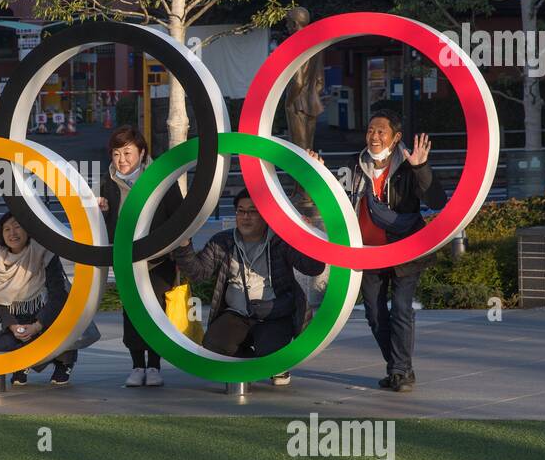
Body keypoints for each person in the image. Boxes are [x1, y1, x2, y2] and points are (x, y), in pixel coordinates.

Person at [314, 108, 445, 392]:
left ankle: (399, 371)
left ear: (395, 137)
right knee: (374, 314)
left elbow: (437, 200)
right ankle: (400, 368)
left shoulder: (410, 165)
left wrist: (421, 168)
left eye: (381, 131)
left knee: (400, 309)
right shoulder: (353, 163)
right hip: (368, 253)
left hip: (404, 251)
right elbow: (336, 197)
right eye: (371, 130)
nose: (374, 136)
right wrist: (318, 171)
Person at [172, 189, 324, 386]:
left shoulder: (280, 241)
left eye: (253, 211)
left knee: (270, 348)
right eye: (240, 211)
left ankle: (274, 362)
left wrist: (306, 237)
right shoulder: (223, 241)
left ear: (265, 215)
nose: (245, 217)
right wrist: (183, 244)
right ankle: (248, 365)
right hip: (237, 313)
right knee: (213, 346)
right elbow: (198, 273)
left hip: (274, 313)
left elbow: (313, 268)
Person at [97, 125, 183, 387]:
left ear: (142, 152)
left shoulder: (161, 180)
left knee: (156, 310)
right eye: (116, 154)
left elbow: (178, 216)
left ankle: (154, 365)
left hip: (158, 259)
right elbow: (104, 227)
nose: (122, 160)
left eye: (127, 153)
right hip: (127, 261)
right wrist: (101, 211)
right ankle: (137, 365)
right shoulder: (106, 182)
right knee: (132, 313)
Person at [0, 212, 78, 386]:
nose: (12, 233)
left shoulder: (44, 254)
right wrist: (14, 327)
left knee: (62, 329)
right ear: (1, 234)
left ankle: (64, 363)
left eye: (17, 227)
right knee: (0, 348)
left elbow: (57, 296)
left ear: (28, 230)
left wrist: (37, 325)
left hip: (47, 318)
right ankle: (21, 363)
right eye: (7, 229)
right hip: (18, 321)